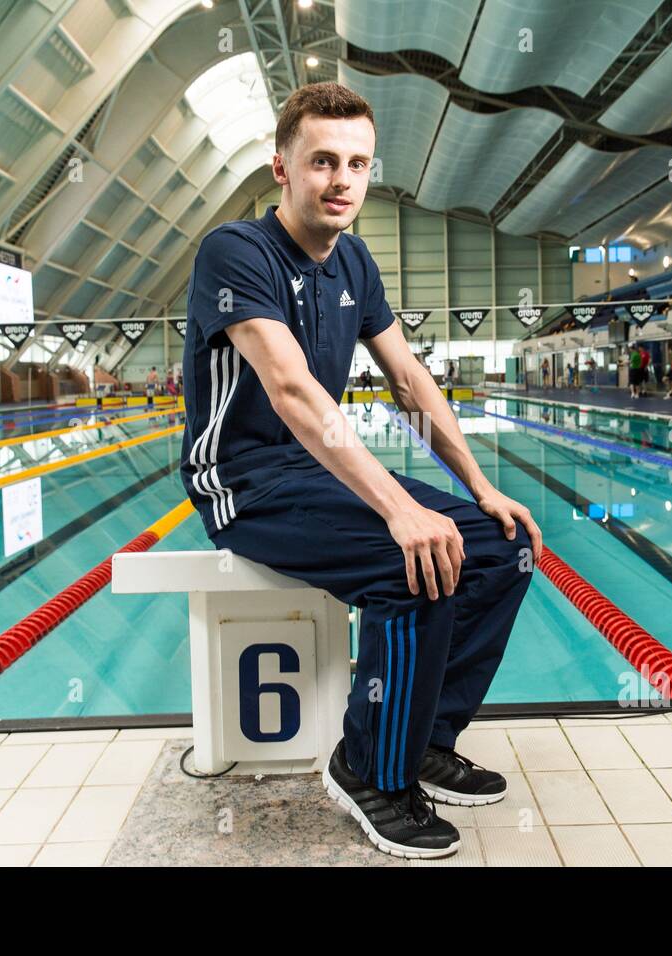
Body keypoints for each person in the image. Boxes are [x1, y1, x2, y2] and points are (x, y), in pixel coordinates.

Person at [180, 82, 540, 859]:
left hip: (316, 473)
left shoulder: (355, 262)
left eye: (357, 164)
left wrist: (479, 486)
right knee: (416, 559)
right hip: (245, 480)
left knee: (505, 544)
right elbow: (292, 392)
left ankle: (426, 740)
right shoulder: (236, 250)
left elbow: (409, 381)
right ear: (282, 167)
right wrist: (398, 509)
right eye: (322, 161)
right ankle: (372, 769)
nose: (341, 180)